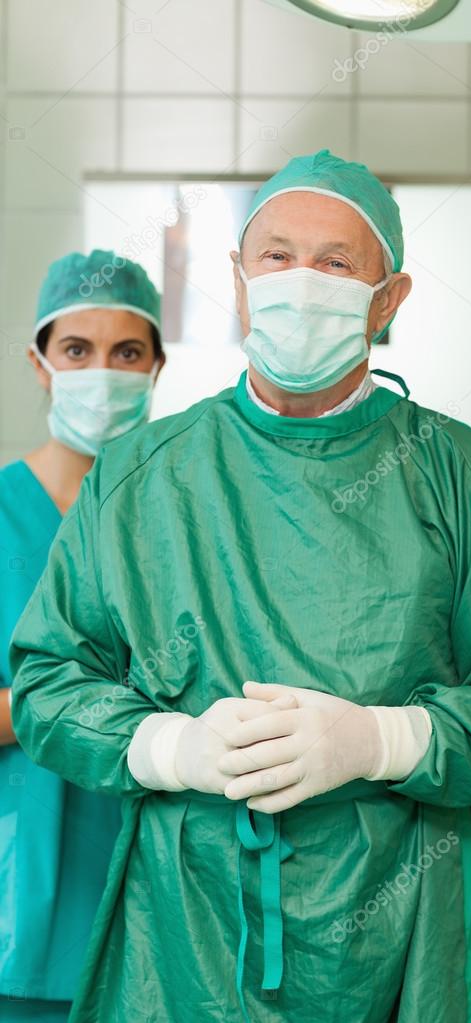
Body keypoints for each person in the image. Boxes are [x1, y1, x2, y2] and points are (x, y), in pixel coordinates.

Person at [10, 151, 471, 1023]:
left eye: (336, 262)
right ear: (239, 281)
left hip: (397, 925)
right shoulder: (139, 475)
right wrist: (171, 747)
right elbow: (49, 684)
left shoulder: (465, 477)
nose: (300, 282)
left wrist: (385, 740)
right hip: (184, 930)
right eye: (276, 257)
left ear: (388, 300)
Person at [0, 250, 164, 1021]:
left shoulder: (182, 518)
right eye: (76, 349)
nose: (102, 372)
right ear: (40, 364)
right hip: (23, 895)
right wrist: (87, 707)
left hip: (163, 889)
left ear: (157, 366)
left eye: (126, 352)